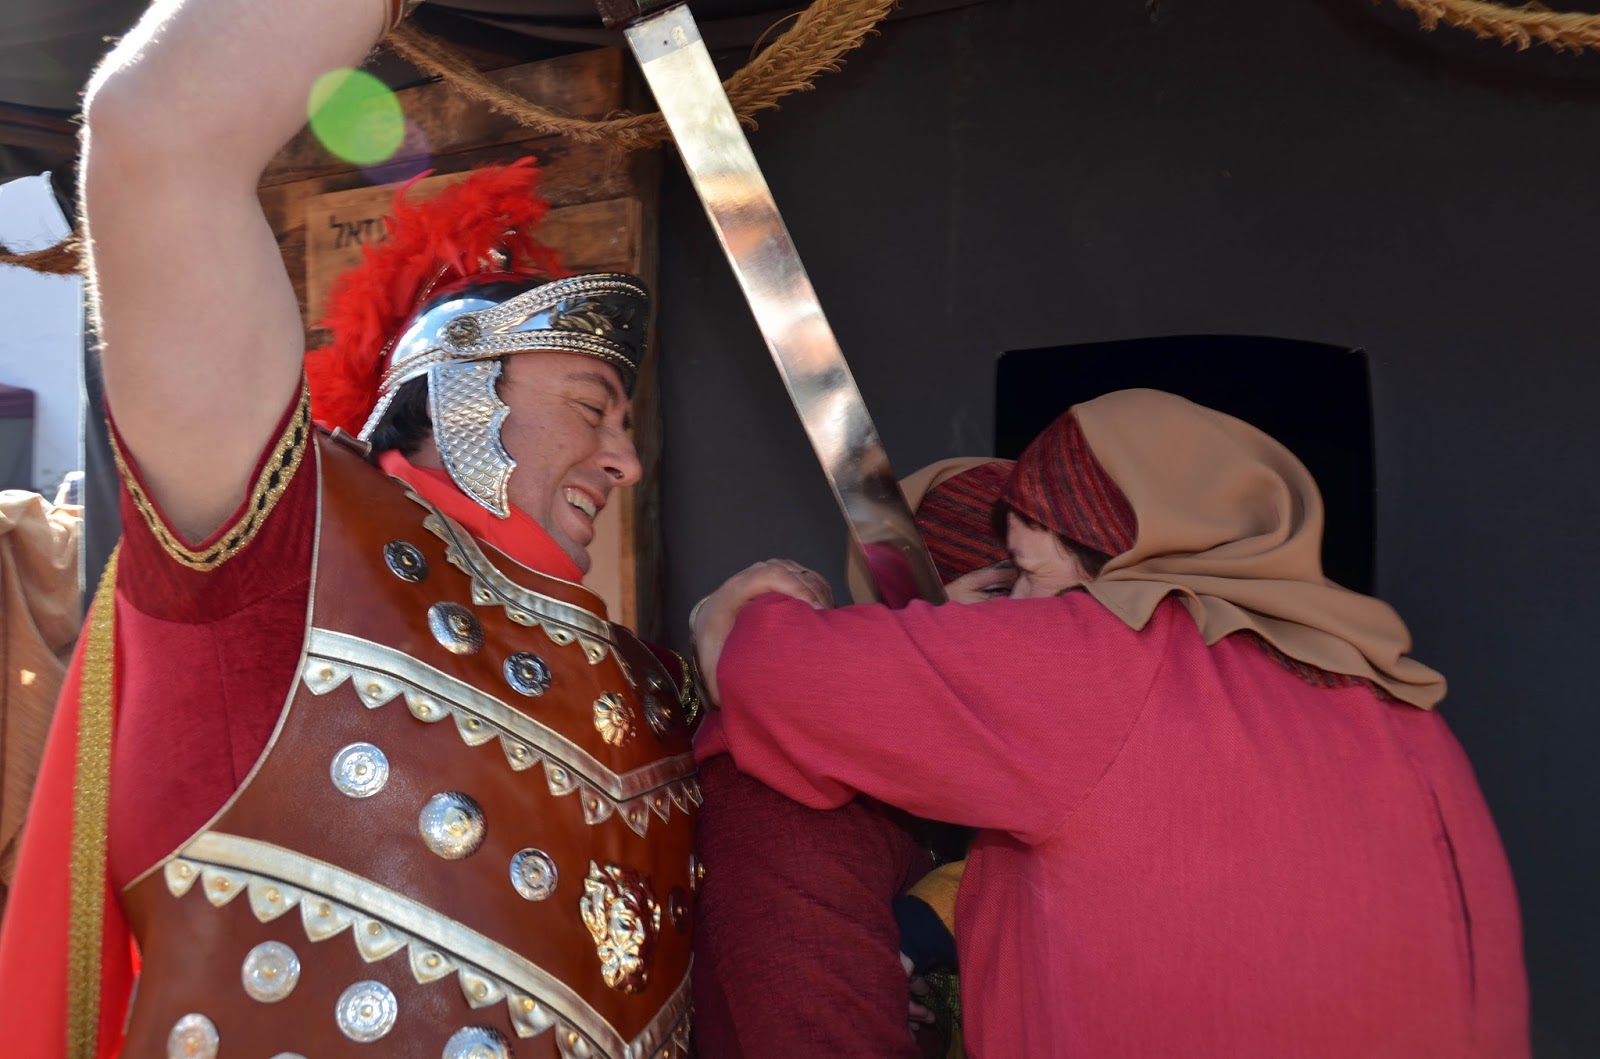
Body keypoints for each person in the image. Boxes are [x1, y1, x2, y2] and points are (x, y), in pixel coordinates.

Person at [0, 2, 699, 1057]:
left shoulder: (645, 683)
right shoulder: (283, 551)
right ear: (461, 397)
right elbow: (158, 137)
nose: (623, 458)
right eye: (591, 407)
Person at [692, 389, 1529, 1058]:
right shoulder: (1396, 705)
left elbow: (771, 677)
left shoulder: (1109, 660)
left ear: (1110, 547)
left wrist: (741, 608)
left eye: (1020, 569)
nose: (1009, 615)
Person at [692, 458, 1013, 1059]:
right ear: (908, 601)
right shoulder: (793, 782)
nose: (1037, 621)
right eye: (997, 589)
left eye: (1065, 595)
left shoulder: (1027, 759)